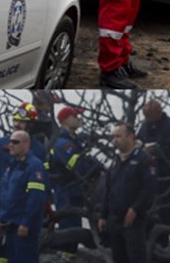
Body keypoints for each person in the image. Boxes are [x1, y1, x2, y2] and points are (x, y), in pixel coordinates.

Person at [0, 102, 46, 262]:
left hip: (25, 204)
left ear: (31, 124)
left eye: (21, 121)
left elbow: (44, 180)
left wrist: (47, 202)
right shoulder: (1, 144)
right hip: (4, 200)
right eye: (15, 120)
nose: (17, 124)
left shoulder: (38, 150)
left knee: (22, 247)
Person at [48, 106, 104, 258]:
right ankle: (65, 256)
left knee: (75, 224)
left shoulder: (74, 140)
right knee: (70, 226)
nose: (79, 119)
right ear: (65, 120)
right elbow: (78, 166)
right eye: (75, 116)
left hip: (77, 190)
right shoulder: (62, 143)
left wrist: (100, 168)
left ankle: (69, 254)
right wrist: (95, 170)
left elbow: (87, 160)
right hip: (66, 191)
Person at [99, 122, 156, 263]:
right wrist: (103, 215)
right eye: (113, 137)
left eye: (118, 136)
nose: (115, 140)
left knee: (136, 256)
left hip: (133, 220)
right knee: (118, 257)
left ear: (130, 137)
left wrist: (135, 208)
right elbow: (109, 189)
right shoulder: (116, 160)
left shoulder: (143, 160)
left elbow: (149, 188)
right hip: (114, 219)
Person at [0, 131, 47, 263]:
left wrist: (26, 223)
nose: (11, 145)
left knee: (26, 258)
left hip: (24, 226)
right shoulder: (13, 166)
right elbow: (7, 197)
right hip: (9, 224)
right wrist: (0, 221)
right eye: (10, 141)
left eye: (15, 142)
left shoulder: (34, 166)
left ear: (26, 144)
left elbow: (36, 198)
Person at [136, 100, 170, 248]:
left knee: (164, 210)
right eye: (145, 116)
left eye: (149, 115)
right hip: (147, 174)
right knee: (146, 208)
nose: (147, 119)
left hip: (165, 173)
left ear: (158, 112)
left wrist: (154, 151)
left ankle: (163, 244)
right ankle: (147, 240)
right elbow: (139, 139)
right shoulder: (145, 125)